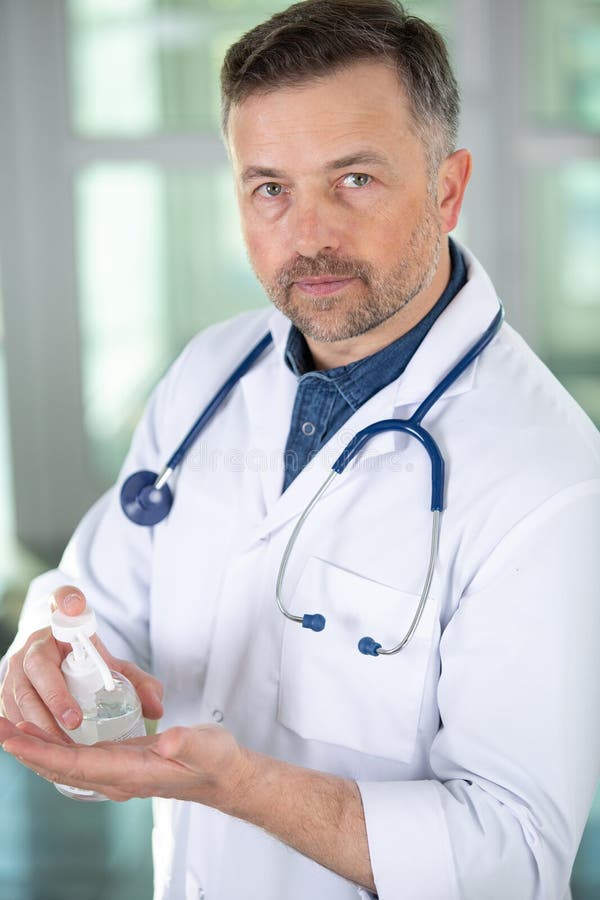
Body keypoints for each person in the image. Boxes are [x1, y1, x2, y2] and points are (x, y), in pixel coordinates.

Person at [1, 1, 599, 898]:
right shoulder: (210, 373)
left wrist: (241, 788)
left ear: (447, 187)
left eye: (354, 179)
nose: (307, 234)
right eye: (270, 187)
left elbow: (511, 858)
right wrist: (51, 656)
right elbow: (97, 603)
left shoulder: (550, 478)